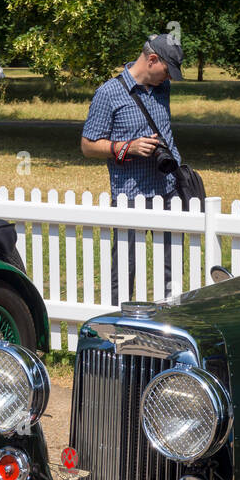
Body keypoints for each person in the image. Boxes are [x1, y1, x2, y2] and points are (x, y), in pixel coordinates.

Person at [81, 34, 185, 303]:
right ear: (152, 59)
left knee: (171, 273)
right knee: (123, 273)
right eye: (167, 71)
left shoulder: (162, 88)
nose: (169, 78)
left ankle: (170, 328)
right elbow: (87, 145)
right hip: (130, 196)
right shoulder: (108, 93)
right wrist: (128, 147)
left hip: (169, 191)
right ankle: (120, 332)